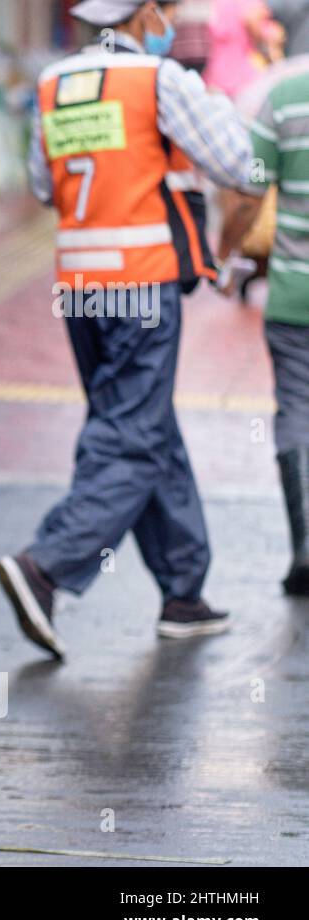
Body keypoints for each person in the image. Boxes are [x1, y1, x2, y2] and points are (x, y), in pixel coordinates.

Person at [0, 0, 260, 658]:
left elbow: (41, 186)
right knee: (134, 437)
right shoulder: (159, 79)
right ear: (146, 13)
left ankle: (183, 591)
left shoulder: (53, 83)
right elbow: (238, 162)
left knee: (142, 425)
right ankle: (46, 566)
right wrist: (210, 97)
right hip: (141, 282)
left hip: (82, 288)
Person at [217, 64, 309, 594]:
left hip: (295, 295)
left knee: (298, 412)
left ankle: (305, 545)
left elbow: (249, 194)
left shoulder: (285, 98)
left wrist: (226, 253)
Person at [205, 0, 285, 97]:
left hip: (217, 75)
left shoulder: (219, 3)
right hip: (244, 75)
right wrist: (268, 34)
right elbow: (252, 19)